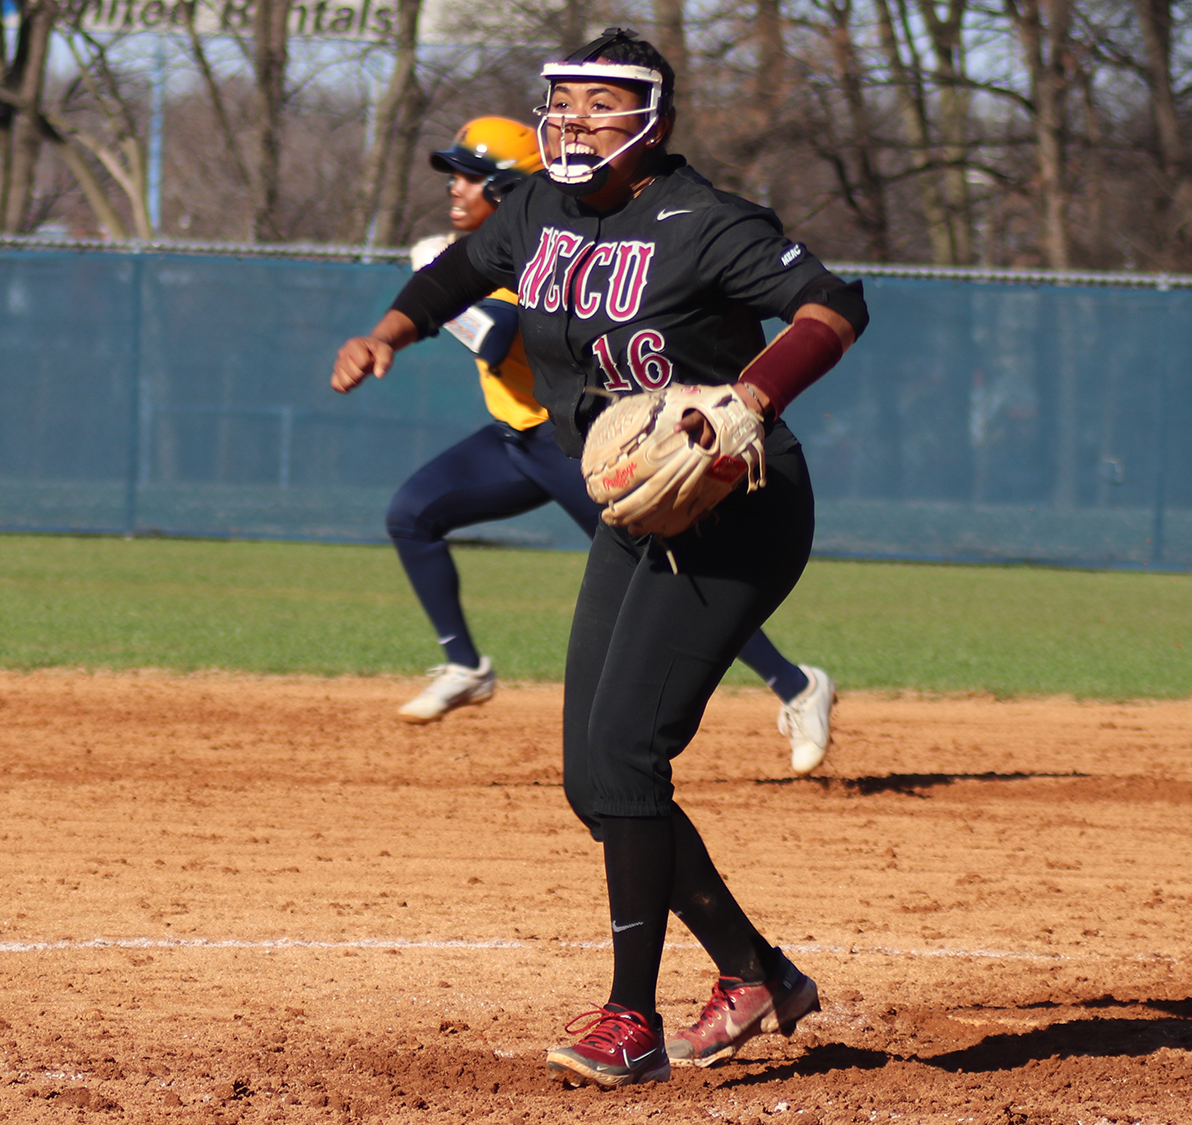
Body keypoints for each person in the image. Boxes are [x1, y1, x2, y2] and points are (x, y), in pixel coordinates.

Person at [328, 29, 867, 1087]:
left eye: (597, 103)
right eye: (561, 101)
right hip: (637, 511)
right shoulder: (532, 210)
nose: (572, 119)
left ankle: (631, 1019)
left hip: (737, 507)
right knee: (594, 781)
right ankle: (753, 971)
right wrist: (388, 330)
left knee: (625, 762)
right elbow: (456, 273)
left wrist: (751, 396)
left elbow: (834, 304)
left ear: (651, 118)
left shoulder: (704, 223)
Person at [344, 114, 837, 776]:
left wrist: (449, 296)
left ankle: (794, 683)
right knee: (411, 513)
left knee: (661, 580)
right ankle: (465, 664)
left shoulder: (561, 248)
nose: (454, 189)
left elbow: (494, 334)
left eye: (470, 177)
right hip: (513, 439)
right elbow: (451, 290)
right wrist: (415, 306)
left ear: (507, 188)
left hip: (590, 448)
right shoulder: (494, 246)